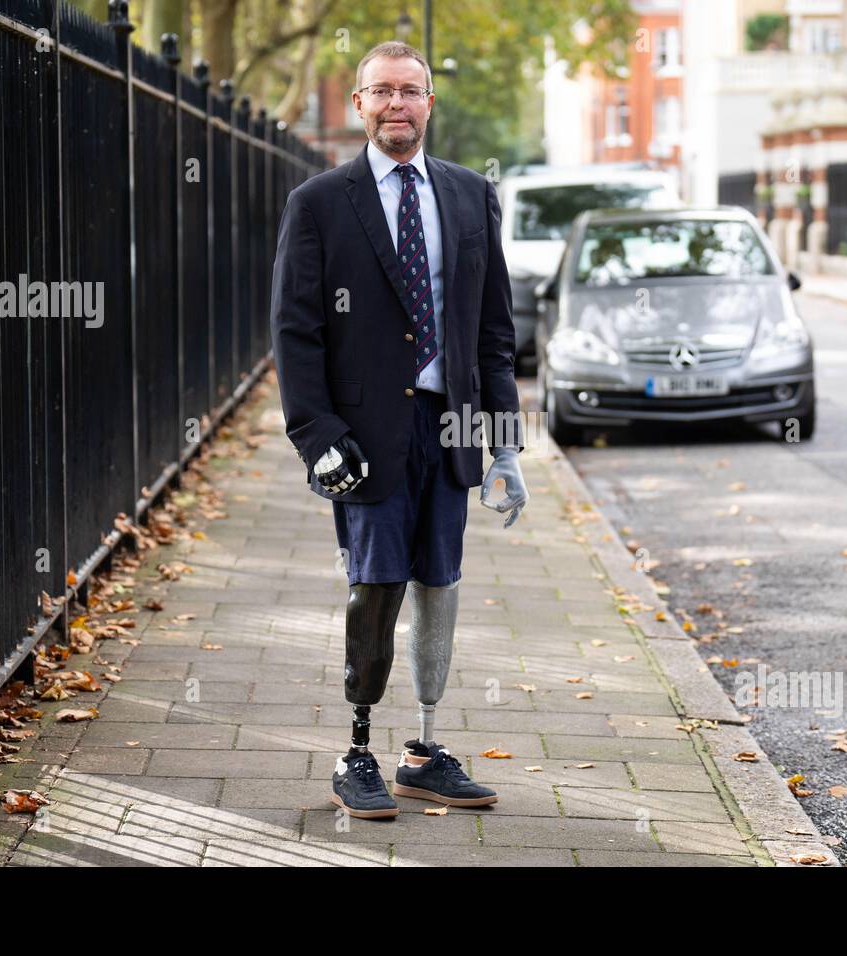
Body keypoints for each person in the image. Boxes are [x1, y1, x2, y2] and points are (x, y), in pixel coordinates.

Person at [269, 40, 529, 820]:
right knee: (375, 589)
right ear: (359, 105)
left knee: (439, 590)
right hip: (363, 437)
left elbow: (493, 330)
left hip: (448, 432)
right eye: (380, 92)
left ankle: (422, 750)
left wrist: (505, 445)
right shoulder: (318, 203)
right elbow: (295, 331)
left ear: (429, 104)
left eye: (410, 92)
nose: (396, 105)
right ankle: (356, 752)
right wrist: (316, 437)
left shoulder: (470, 195)